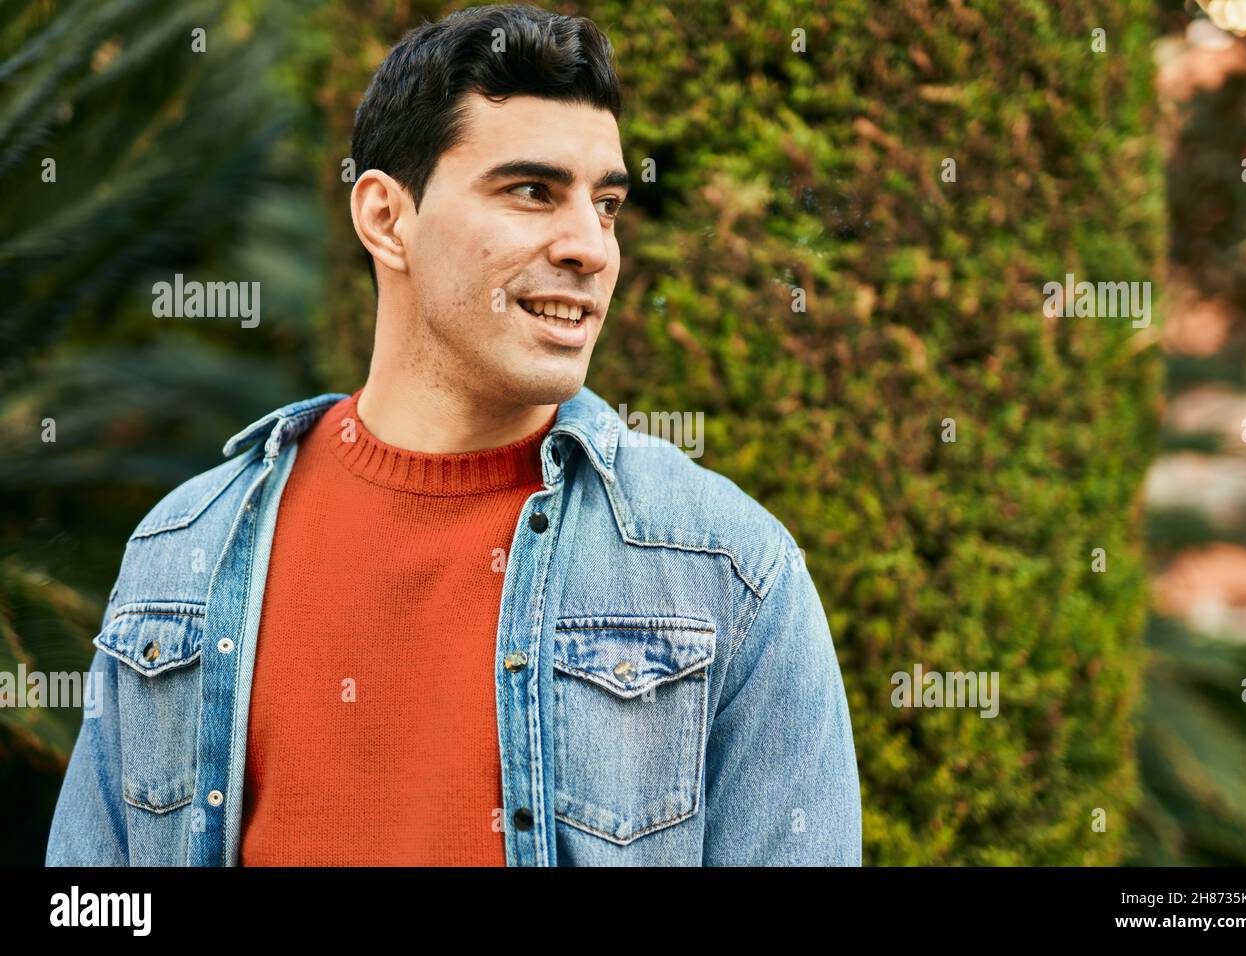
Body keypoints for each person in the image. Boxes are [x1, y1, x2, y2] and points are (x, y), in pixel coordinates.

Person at [46, 2, 861, 867]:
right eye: (531, 191)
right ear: (386, 219)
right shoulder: (183, 552)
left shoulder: (726, 573)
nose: (591, 245)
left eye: (609, 203)